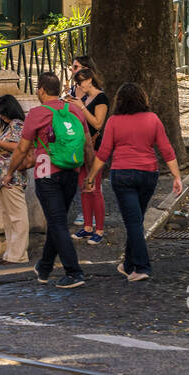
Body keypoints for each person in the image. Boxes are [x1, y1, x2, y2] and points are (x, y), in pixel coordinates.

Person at [0, 72, 95, 288]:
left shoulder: (37, 113)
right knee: (56, 220)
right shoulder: (75, 111)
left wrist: (10, 172)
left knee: (57, 222)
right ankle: (44, 267)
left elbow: (23, 148)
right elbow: (88, 145)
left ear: (41, 90)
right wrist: (90, 174)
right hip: (71, 171)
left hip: (46, 174)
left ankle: (73, 272)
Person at [85, 83, 182, 282]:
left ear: (119, 101)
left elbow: (103, 154)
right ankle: (128, 264)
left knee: (133, 223)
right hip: (148, 174)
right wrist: (176, 176)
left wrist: (90, 177)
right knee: (135, 221)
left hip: (122, 175)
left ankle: (142, 267)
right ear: (142, 99)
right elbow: (166, 149)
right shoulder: (153, 119)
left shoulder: (113, 121)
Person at [0, 95, 30, 263]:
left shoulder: (17, 125)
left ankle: (18, 255)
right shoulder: (10, 127)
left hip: (13, 177)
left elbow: (19, 147)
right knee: (10, 218)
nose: (0, 116)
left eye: (1, 113)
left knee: (17, 217)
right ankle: (12, 254)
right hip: (5, 177)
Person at [71, 68, 109, 245]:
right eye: (77, 82)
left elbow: (98, 123)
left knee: (95, 188)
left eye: (81, 81)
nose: (79, 85)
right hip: (82, 147)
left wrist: (81, 107)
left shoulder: (101, 98)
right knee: (84, 187)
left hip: (96, 148)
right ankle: (87, 227)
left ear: (90, 79)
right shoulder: (84, 99)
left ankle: (99, 229)